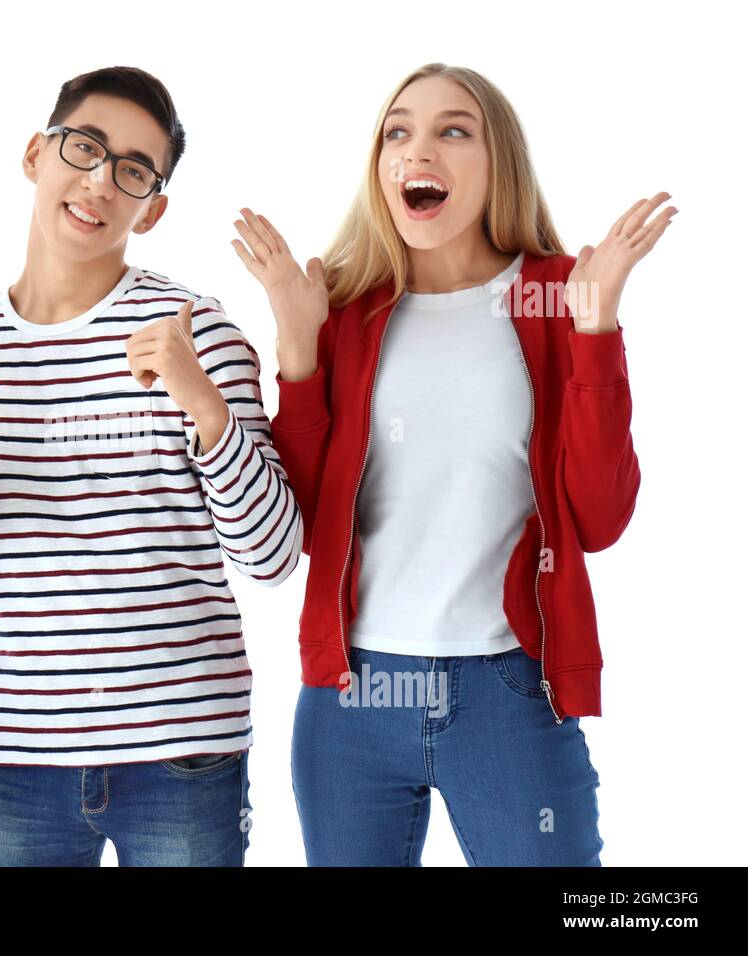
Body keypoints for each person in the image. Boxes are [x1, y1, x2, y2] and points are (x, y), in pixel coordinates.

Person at [235, 63, 672, 866]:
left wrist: (596, 329)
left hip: (506, 694)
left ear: (496, 162)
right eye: (396, 132)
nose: (416, 150)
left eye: (452, 130)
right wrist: (296, 352)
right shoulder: (341, 309)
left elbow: (600, 518)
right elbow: (296, 522)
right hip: (350, 700)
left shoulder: (553, 297)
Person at [0, 67, 303, 866]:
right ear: (35, 155)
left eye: (132, 170)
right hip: (18, 754)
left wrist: (205, 406)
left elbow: (272, 555)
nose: (99, 181)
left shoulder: (198, 334)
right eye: (84, 148)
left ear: (152, 208)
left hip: (183, 751)